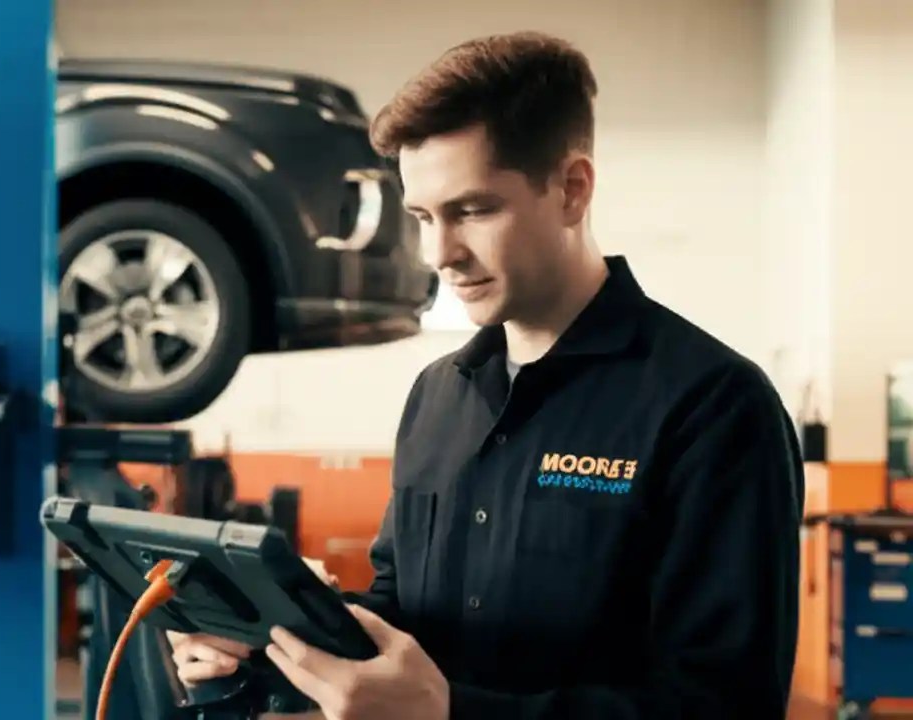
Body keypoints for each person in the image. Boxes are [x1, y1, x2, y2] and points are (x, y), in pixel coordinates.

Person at [168, 31, 804, 719]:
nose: (440, 253)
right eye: (422, 217)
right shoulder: (438, 396)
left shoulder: (712, 408)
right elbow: (399, 615)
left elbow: (725, 705)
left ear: (571, 189)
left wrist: (451, 714)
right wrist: (264, 646)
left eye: (472, 210)